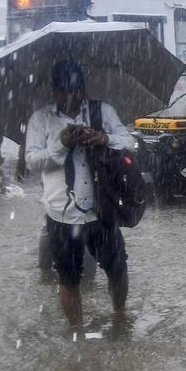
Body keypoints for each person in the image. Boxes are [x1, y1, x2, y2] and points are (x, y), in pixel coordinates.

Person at [24, 59, 134, 326]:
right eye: (65, 92)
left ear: (83, 89)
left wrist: (105, 139)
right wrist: (61, 144)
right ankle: (77, 332)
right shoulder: (41, 119)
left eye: (76, 91)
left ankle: (120, 317)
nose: (71, 98)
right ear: (55, 91)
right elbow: (32, 161)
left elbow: (129, 142)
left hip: (101, 209)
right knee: (68, 278)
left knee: (117, 269)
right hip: (60, 213)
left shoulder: (102, 112)